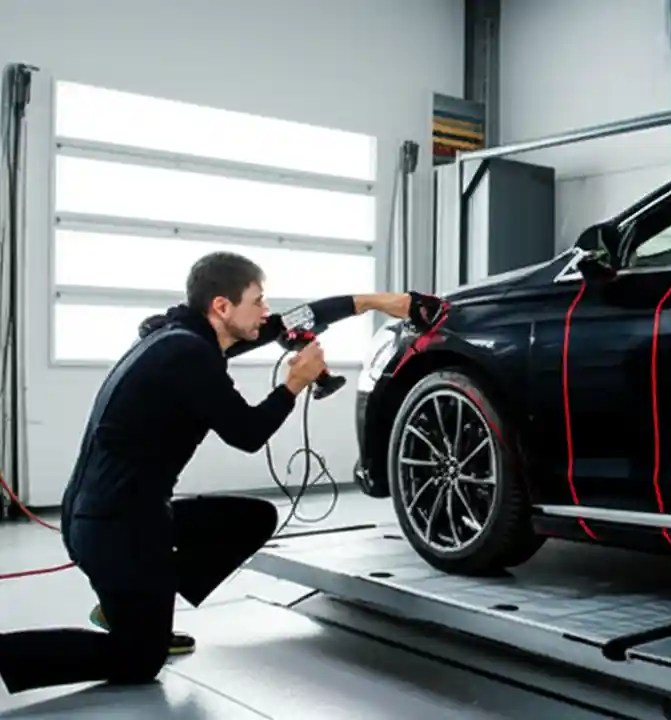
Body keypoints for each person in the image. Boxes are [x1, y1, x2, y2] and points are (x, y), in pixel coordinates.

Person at [0, 251, 437, 694]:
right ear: (222, 307)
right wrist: (293, 384)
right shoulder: (188, 355)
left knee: (252, 518)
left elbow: (296, 319)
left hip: (117, 513)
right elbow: (246, 433)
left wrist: (382, 302)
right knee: (139, 659)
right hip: (115, 528)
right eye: (258, 301)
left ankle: (142, 603)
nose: (267, 313)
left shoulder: (182, 335)